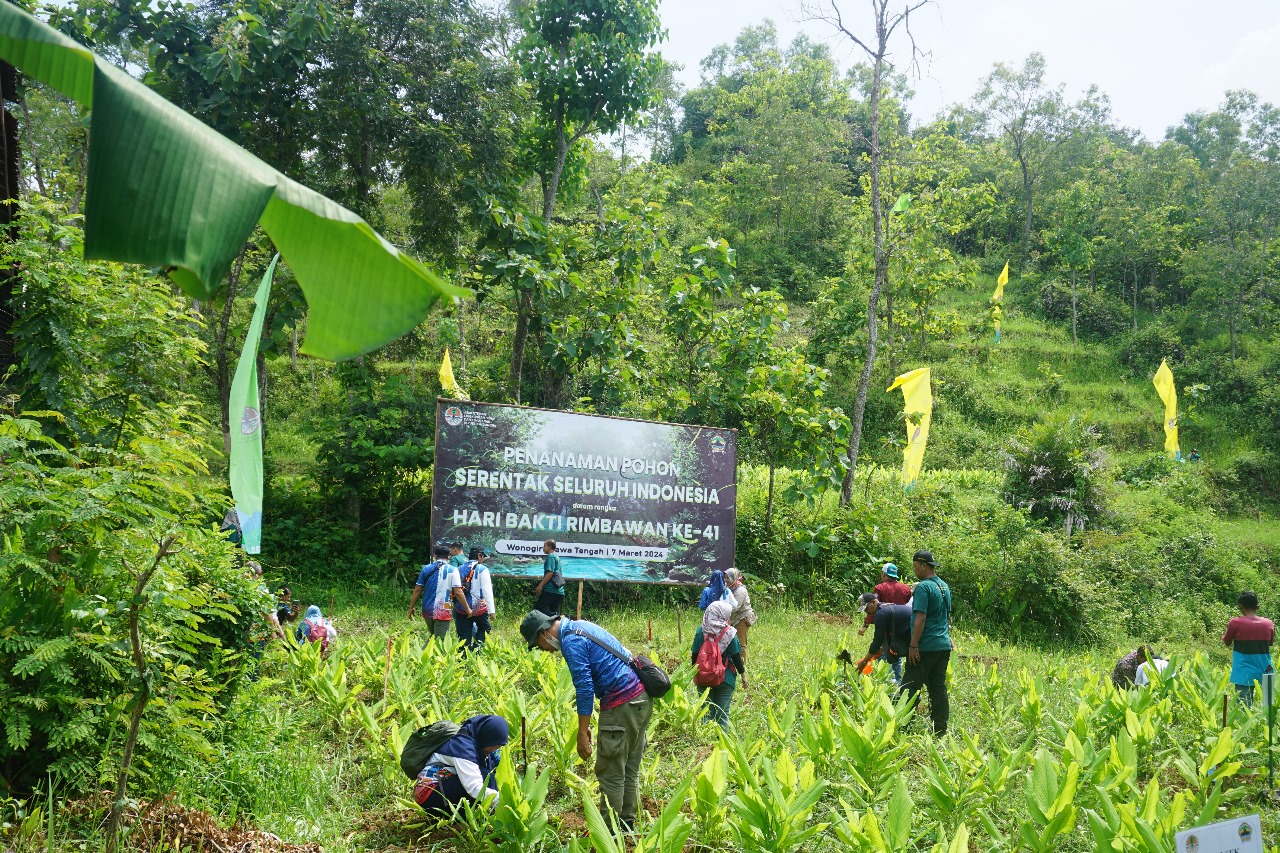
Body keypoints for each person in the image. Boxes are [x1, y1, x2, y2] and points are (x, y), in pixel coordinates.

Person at [521, 610, 652, 830]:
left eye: (538, 645)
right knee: (629, 768)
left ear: (543, 634)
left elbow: (584, 688)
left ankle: (608, 834)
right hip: (641, 699)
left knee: (610, 771)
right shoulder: (581, 626)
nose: (544, 650)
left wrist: (582, 732)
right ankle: (627, 829)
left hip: (621, 704)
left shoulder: (571, 642)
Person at [413, 715, 510, 817]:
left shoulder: (475, 739)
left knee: (490, 774)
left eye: (497, 747)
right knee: (485, 777)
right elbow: (474, 788)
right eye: (493, 746)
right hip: (428, 794)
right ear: (486, 737)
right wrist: (506, 802)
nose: (493, 750)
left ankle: (477, 815)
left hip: (442, 787)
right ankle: (459, 818)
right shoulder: (463, 749)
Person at [899, 550, 952, 735]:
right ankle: (940, 729)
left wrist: (913, 646)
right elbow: (946, 617)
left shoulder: (923, 587)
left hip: (925, 646)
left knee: (909, 687)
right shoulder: (944, 586)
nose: (914, 570)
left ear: (924, 565)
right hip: (943, 645)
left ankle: (902, 727)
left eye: (915, 566)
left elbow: (920, 617)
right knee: (938, 687)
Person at [691, 600, 746, 728]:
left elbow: (694, 655)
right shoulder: (730, 632)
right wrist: (743, 676)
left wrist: (694, 675)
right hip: (725, 678)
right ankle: (722, 745)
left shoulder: (701, 630)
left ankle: (706, 745)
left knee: (706, 714)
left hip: (703, 677)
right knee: (723, 715)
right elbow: (736, 657)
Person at [1224, 590, 1275, 706]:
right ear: (1258, 606)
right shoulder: (1268, 623)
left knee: (1244, 708)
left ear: (1240, 606)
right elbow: (1269, 644)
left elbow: (1227, 642)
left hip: (1243, 671)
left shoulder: (1235, 623)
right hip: (1266, 670)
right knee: (1269, 708)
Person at [855, 592, 913, 684]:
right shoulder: (884, 608)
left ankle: (903, 685)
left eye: (866, 608)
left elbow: (877, 640)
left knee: (913, 671)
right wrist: (881, 649)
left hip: (918, 637)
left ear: (873, 602)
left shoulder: (881, 614)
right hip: (908, 635)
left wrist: (864, 662)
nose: (867, 612)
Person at [408, 546, 458, 641]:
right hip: (443, 609)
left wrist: (411, 607)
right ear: (449, 557)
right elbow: (458, 592)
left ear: (435, 556)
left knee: (434, 637)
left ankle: (422, 654)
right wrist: (467, 608)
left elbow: (418, 589)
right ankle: (419, 655)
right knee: (440, 641)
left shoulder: (426, 569)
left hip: (427, 609)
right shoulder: (452, 570)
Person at [455, 548, 496, 652]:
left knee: (464, 634)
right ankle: (476, 651)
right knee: (485, 628)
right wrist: (492, 611)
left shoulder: (459, 569)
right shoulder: (482, 569)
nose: (482, 559)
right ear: (479, 556)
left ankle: (463, 659)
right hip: (479, 608)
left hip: (462, 608)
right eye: (482, 556)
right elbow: (487, 590)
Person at [859, 563, 913, 637]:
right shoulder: (906, 588)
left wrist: (865, 625)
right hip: (903, 626)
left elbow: (874, 608)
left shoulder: (879, 588)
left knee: (884, 646)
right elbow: (908, 604)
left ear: (884, 574)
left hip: (885, 625)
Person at [724, 568, 757, 662]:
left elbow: (735, 607)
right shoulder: (729, 588)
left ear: (734, 578)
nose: (726, 580)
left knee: (741, 643)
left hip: (742, 618)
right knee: (730, 641)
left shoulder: (740, 590)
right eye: (725, 577)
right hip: (733, 618)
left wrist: (722, 612)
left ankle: (742, 666)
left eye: (728, 578)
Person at [533, 539, 565, 616]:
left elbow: (550, 573)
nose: (543, 548)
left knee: (538, 608)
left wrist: (540, 586)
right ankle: (556, 618)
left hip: (550, 590)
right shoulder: (557, 557)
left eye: (544, 546)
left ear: (549, 547)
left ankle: (556, 617)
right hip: (559, 591)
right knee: (553, 611)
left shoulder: (550, 556)